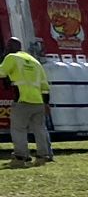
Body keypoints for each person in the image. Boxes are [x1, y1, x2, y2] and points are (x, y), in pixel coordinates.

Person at [1, 38, 53, 166]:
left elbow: (1, 72)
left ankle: (20, 157)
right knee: (39, 129)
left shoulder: (12, 57)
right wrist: (46, 103)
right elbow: (45, 86)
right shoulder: (34, 61)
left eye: (8, 46)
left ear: (12, 47)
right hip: (38, 102)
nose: (6, 49)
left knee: (18, 129)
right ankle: (43, 156)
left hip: (22, 100)